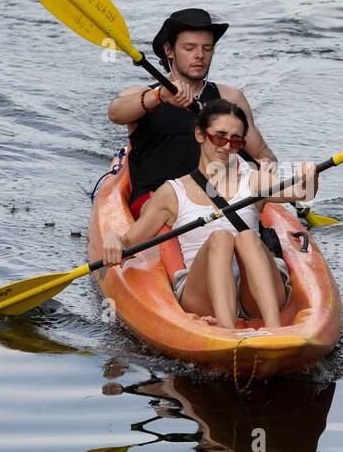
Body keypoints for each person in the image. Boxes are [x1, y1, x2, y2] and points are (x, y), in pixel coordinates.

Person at [101, 100, 317, 331]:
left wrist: (311, 176)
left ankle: (275, 330)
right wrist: (115, 240)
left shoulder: (254, 181)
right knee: (220, 238)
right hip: (202, 296)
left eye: (236, 140)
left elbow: (302, 192)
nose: (226, 146)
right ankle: (226, 329)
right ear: (200, 135)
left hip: (253, 292)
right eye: (219, 137)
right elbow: (129, 242)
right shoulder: (172, 193)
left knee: (247, 237)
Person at [107, 7, 276, 216]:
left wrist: (263, 176)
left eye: (207, 48)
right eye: (189, 48)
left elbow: (261, 155)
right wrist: (160, 96)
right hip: (157, 206)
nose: (199, 55)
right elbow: (115, 113)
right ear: (169, 50)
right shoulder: (145, 96)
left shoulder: (230, 98)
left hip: (216, 201)